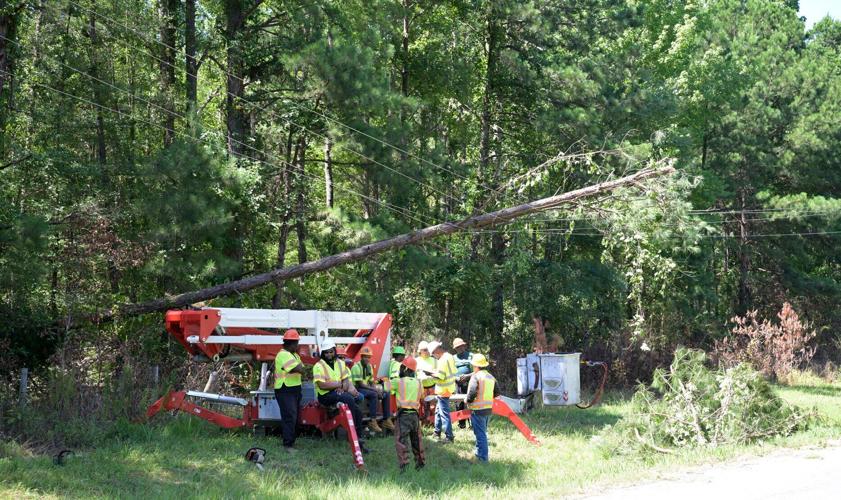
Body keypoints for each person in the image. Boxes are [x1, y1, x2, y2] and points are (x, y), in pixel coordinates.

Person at [313, 340, 370, 453]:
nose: (329, 354)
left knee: (357, 411)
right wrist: (339, 385)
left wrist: (342, 388)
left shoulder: (340, 363)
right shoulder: (318, 366)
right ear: (323, 353)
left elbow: (346, 379)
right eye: (326, 352)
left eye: (331, 352)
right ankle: (352, 434)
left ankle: (358, 439)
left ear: (334, 351)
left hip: (338, 392)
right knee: (348, 398)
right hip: (325, 396)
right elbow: (322, 385)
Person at [274, 329, 306, 452]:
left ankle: (291, 442)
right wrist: (301, 368)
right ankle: (288, 445)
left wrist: (301, 368)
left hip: (295, 388)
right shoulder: (283, 354)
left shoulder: (295, 355)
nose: (297, 345)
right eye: (297, 343)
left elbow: (301, 368)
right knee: (289, 416)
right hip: (285, 389)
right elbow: (297, 368)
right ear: (291, 343)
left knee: (295, 416)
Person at [465, 353, 500, 463]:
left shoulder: (476, 376)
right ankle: (479, 454)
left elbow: (472, 392)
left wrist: (468, 400)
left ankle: (483, 458)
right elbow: (497, 393)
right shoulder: (491, 377)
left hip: (477, 410)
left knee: (480, 434)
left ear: (475, 366)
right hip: (488, 409)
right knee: (482, 432)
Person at [351, 346, 394, 432]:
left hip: (366, 388)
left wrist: (378, 390)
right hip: (357, 389)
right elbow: (360, 384)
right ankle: (372, 421)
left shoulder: (369, 366)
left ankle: (386, 419)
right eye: (365, 357)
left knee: (386, 393)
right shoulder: (356, 367)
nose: (367, 359)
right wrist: (375, 390)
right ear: (361, 357)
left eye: (368, 357)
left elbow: (371, 382)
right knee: (374, 394)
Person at [394, 356, 425, 472]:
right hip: (415, 416)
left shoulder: (398, 382)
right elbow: (422, 396)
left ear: (406, 369)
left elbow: (385, 388)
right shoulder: (418, 383)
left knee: (401, 441)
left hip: (403, 416)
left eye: (402, 367)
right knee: (417, 440)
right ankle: (420, 464)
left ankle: (404, 466)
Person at [424, 340, 456, 443]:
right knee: (438, 411)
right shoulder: (449, 356)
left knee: (444, 414)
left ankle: (449, 436)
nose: (433, 356)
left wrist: (429, 374)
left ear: (436, 350)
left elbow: (441, 376)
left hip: (443, 390)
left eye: (433, 354)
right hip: (448, 388)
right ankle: (436, 432)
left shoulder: (442, 360)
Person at [453, 337, 473, 429]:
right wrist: (456, 378)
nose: (460, 348)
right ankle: (461, 424)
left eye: (461, 346)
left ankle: (472, 423)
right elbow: (449, 372)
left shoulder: (471, 356)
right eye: (457, 347)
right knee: (459, 403)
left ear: (464, 346)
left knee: (471, 402)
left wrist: (468, 376)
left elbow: (477, 370)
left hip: (471, 382)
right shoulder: (453, 358)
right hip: (458, 383)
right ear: (455, 348)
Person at [415, 341, 437, 419]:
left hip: (432, 386)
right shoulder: (416, 361)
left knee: (433, 405)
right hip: (421, 387)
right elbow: (414, 374)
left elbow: (437, 372)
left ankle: (433, 421)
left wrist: (432, 376)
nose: (426, 351)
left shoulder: (434, 360)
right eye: (424, 350)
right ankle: (424, 421)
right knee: (422, 405)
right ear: (420, 351)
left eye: (427, 349)